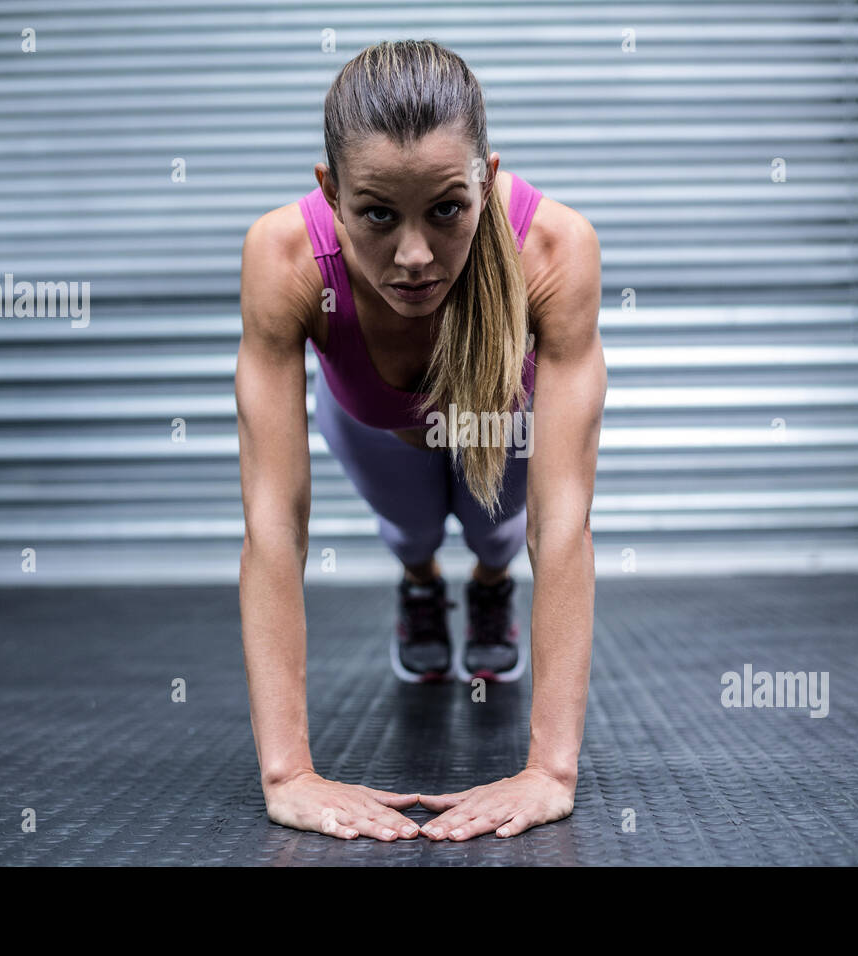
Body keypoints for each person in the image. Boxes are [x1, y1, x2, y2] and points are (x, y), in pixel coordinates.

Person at [235, 39, 606, 842]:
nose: (413, 256)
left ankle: (486, 586)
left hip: (501, 421)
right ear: (330, 192)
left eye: (447, 209)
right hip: (371, 425)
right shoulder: (285, 258)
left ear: (487, 179)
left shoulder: (555, 250)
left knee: (502, 532)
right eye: (376, 214)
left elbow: (564, 520)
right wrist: (287, 774)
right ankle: (420, 583)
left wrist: (551, 770)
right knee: (409, 529)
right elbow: (273, 521)